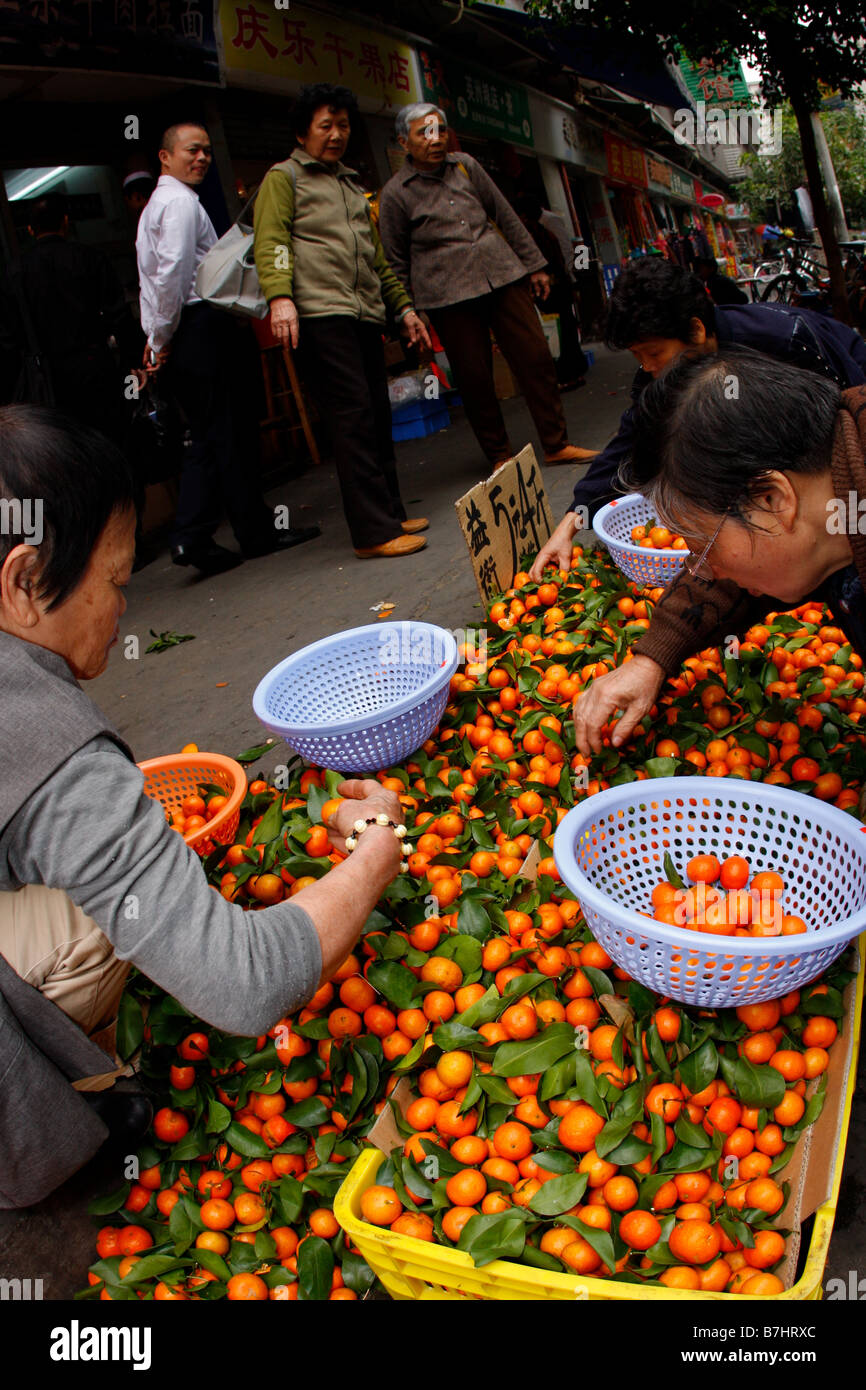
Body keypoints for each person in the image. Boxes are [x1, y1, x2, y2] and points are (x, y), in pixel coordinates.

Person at [0, 406, 409, 1207]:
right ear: (21, 582)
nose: (126, 611)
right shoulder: (43, 743)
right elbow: (245, 984)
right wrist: (375, 854)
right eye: (115, 583)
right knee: (110, 922)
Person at [571, 348, 866, 758]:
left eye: (701, 546)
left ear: (771, 497)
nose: (703, 572)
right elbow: (742, 574)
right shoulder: (832, 501)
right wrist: (650, 660)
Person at [529, 257, 866, 581]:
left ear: (696, 330)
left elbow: (849, 427)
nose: (647, 366)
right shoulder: (662, 377)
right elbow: (632, 439)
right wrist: (572, 522)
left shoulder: (780, 343)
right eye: (637, 356)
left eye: (654, 353)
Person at [253, 83, 432, 561]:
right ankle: (373, 532)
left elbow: (376, 258)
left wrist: (405, 309)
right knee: (352, 420)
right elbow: (271, 241)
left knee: (374, 413)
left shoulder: (350, 183)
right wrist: (280, 298)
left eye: (343, 125)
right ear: (302, 131)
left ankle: (390, 513)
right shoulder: (283, 178)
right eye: (325, 125)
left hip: (363, 313)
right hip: (319, 314)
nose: (336, 134)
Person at [137, 121, 320, 576]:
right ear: (165, 157)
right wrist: (160, 338)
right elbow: (174, 275)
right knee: (230, 431)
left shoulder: (157, 206)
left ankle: (197, 535)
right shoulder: (179, 203)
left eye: (205, 152)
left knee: (212, 433)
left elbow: (158, 280)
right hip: (200, 327)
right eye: (191, 151)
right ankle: (239, 534)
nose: (201, 158)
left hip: (186, 331)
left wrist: (157, 336)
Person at [378, 103, 596, 470]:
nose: (435, 139)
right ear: (403, 141)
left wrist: (535, 266)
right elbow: (394, 258)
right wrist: (407, 311)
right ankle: (500, 456)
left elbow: (505, 215)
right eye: (424, 133)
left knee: (536, 357)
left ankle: (556, 444)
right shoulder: (396, 193)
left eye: (441, 130)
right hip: (447, 294)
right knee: (474, 377)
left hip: (502, 274)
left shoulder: (466, 165)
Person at [0, 192, 142, 439]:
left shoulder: (15, 273)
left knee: (67, 446)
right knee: (111, 437)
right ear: (66, 222)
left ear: (31, 230)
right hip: (96, 367)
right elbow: (118, 315)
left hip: (47, 379)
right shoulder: (90, 258)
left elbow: (8, 339)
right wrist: (134, 363)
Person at [515, 193, 588, 389]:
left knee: (561, 330)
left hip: (554, 287)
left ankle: (567, 375)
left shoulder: (544, 228)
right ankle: (571, 373)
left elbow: (567, 251)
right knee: (563, 329)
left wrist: (574, 277)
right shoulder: (538, 231)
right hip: (556, 287)